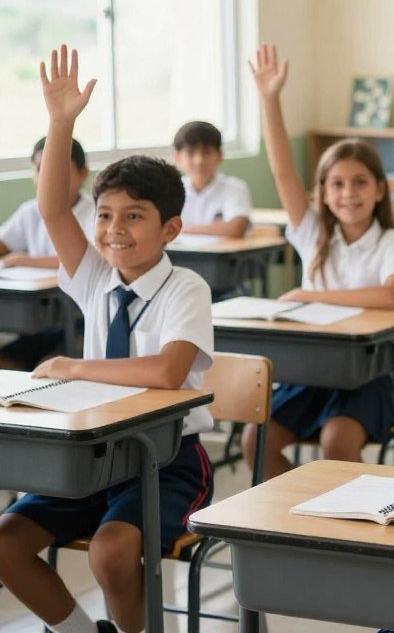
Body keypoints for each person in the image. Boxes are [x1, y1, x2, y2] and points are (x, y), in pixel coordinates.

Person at [0, 45, 215, 633]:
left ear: (170, 227)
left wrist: (76, 369)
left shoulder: (185, 288)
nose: (114, 230)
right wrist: (60, 120)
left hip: (166, 457)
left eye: (134, 216)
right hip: (93, 453)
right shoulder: (95, 276)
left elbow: (168, 373)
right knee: (7, 541)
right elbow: (51, 209)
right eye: (105, 215)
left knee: (111, 551)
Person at [240, 44, 394, 478]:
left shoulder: (393, 241)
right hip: (311, 374)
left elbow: (393, 296)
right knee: (254, 441)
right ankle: (299, 517)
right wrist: (269, 99)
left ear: (379, 189)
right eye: (336, 184)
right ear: (322, 192)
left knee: (338, 443)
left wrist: (311, 296)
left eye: (359, 182)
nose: (348, 193)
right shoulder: (313, 235)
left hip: (370, 379)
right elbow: (283, 172)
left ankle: (340, 530)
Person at [0, 136, 93, 368]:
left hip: (80, 321)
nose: (47, 177)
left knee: (51, 366)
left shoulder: (96, 212)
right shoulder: (29, 210)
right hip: (38, 322)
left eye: (58, 169)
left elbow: (86, 261)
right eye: (40, 169)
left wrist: (26, 260)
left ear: (83, 173)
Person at [173, 120, 252, 238]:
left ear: (220, 156)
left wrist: (180, 230)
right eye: (190, 153)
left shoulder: (234, 187)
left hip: (223, 255)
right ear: (177, 157)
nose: (199, 161)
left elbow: (237, 227)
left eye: (207, 152)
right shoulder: (172, 189)